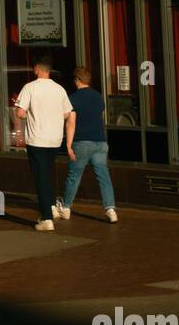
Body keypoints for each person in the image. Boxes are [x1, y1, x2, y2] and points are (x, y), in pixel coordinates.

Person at [15, 54, 75, 230]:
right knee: (47, 174)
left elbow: (19, 113)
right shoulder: (59, 89)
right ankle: (51, 207)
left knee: (40, 177)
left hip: (37, 139)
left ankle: (46, 218)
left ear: (36, 68)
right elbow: (67, 113)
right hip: (55, 139)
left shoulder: (30, 87)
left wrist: (31, 115)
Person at [56, 66, 118, 223]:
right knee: (103, 177)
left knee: (74, 176)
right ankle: (110, 210)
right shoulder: (98, 97)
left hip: (81, 142)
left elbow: (71, 122)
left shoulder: (73, 98)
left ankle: (66, 208)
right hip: (100, 142)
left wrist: (68, 145)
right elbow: (99, 117)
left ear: (77, 80)